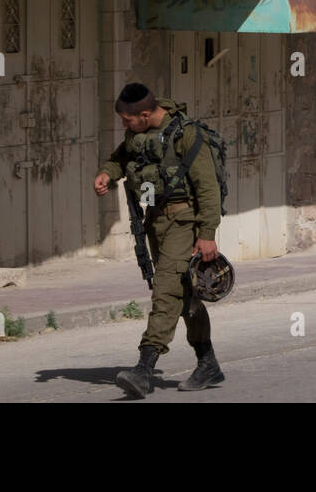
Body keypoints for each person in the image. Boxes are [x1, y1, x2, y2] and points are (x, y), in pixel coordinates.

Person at [93, 83, 224, 397]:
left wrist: (207, 234)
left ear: (144, 113)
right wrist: (107, 175)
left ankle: (144, 368)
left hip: (185, 222)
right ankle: (208, 363)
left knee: (166, 292)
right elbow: (119, 159)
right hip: (156, 222)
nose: (123, 126)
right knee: (184, 298)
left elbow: (208, 188)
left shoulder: (186, 134)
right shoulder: (137, 136)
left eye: (127, 120)